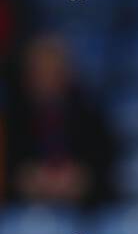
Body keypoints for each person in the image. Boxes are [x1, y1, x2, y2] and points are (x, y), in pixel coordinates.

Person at [4, 33, 117, 207]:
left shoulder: (90, 114)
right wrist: (24, 179)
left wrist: (81, 179)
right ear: (27, 75)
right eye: (40, 72)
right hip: (22, 209)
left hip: (82, 210)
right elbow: (9, 169)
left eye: (53, 71)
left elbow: (104, 169)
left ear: (67, 74)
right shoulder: (10, 117)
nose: (47, 79)